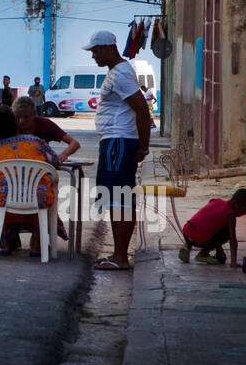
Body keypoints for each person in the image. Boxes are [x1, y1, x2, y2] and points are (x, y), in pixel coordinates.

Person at [83, 30, 152, 272]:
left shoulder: (121, 73)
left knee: (118, 198)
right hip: (115, 142)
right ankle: (118, 253)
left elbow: (143, 112)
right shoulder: (118, 72)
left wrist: (143, 147)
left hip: (118, 142)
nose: (93, 56)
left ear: (106, 49)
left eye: (94, 51)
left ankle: (121, 257)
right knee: (118, 198)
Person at [0, 107, 60, 256]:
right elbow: (54, 161)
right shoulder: (36, 142)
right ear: (16, 124)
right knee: (47, 186)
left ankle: (3, 244)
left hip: (5, 201)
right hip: (39, 200)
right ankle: (38, 244)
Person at [179, 188, 246, 266]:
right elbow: (233, 240)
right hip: (199, 239)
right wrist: (233, 263)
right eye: (244, 213)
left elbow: (211, 224)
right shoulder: (230, 215)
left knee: (201, 230)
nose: (241, 215)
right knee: (226, 233)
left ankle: (186, 247)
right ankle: (203, 254)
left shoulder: (217, 201)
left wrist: (220, 251)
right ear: (241, 207)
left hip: (186, 232)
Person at [12, 96, 82, 162]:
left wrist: (63, 154)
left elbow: (74, 143)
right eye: (17, 117)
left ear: (34, 114)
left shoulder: (45, 124)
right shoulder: (10, 124)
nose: (21, 121)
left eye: (25, 117)